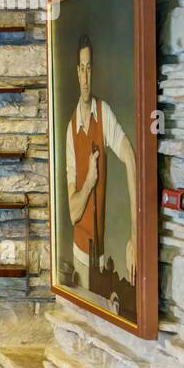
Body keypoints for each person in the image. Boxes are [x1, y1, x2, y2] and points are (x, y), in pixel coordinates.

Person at [65, 33, 138, 289]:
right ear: (76, 72)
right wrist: (89, 182)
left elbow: (131, 159)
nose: (85, 78)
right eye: (81, 69)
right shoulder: (70, 131)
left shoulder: (103, 112)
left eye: (89, 69)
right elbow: (73, 213)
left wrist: (135, 235)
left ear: (93, 71)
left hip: (100, 257)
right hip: (81, 259)